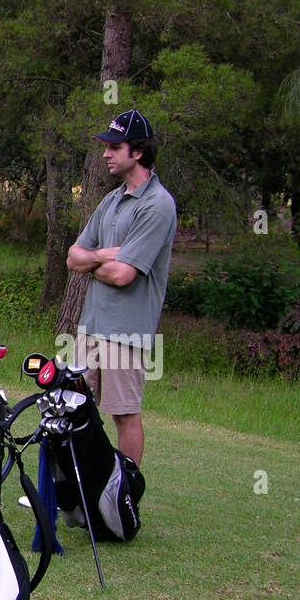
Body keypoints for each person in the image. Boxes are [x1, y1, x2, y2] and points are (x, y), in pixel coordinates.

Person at [65, 109, 176, 466]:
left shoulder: (157, 205)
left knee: (124, 416)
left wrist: (95, 262)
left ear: (138, 152)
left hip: (126, 334)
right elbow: (72, 258)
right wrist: (104, 255)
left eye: (115, 146)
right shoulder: (111, 200)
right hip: (90, 328)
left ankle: (125, 493)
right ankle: (77, 495)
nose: (106, 153)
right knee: (72, 409)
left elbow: (123, 275)